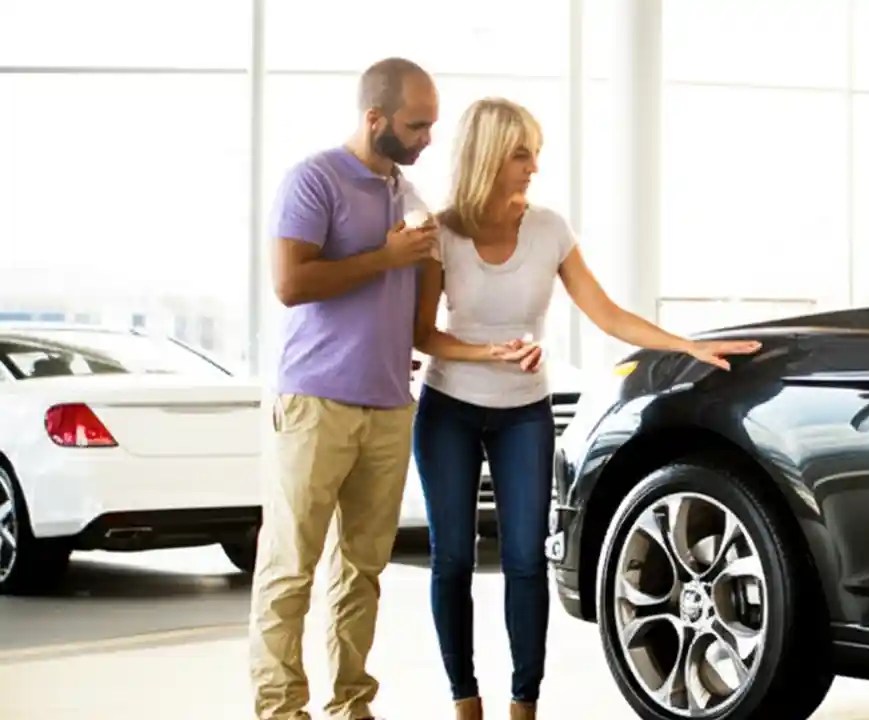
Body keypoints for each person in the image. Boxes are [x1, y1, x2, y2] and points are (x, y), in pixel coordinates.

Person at [412, 97, 762, 720]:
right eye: (522, 153)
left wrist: (686, 343)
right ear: (489, 154)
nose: (532, 167)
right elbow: (422, 335)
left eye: (536, 153)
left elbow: (606, 313)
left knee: (524, 560)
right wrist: (488, 351)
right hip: (449, 410)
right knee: (454, 560)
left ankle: (524, 706)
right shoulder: (442, 231)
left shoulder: (549, 229)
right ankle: (465, 701)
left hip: (525, 412)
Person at [248, 57, 440, 720]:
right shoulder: (313, 179)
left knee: (362, 571)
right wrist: (386, 258)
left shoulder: (406, 195)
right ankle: (279, 710)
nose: (427, 139)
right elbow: (291, 284)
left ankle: (351, 705)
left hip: (388, 406)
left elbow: (411, 300)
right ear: (374, 118)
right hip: (314, 404)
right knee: (290, 567)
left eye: (431, 126)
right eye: (417, 126)